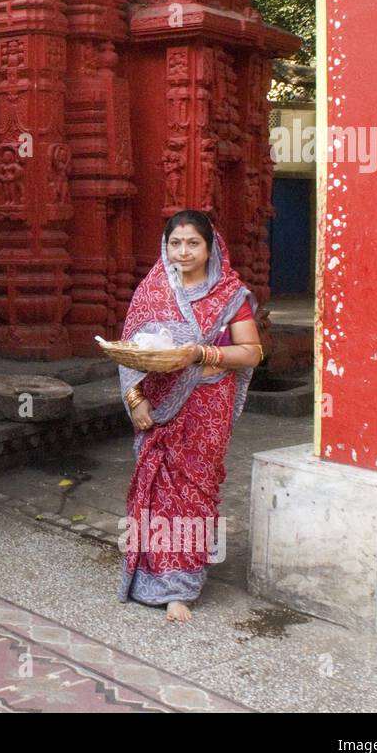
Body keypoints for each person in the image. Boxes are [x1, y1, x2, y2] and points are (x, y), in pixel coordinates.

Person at [117, 210, 262, 623]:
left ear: (210, 247)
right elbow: (131, 351)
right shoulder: (152, 291)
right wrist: (134, 398)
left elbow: (251, 352)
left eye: (192, 243)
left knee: (191, 491)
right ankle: (148, 573)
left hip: (208, 404)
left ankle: (180, 585)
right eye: (175, 243)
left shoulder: (230, 294)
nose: (183, 252)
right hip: (159, 404)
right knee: (155, 486)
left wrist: (202, 353)